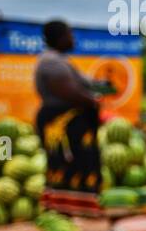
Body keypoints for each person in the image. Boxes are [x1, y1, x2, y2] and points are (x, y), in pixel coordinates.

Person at [34, 19, 103, 195]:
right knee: (66, 163)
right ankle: (68, 206)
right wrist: (92, 101)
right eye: (70, 34)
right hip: (61, 122)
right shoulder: (51, 62)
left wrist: (100, 87)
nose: (73, 39)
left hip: (69, 120)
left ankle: (78, 204)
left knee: (78, 163)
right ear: (60, 37)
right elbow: (68, 92)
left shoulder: (60, 60)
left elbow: (83, 82)